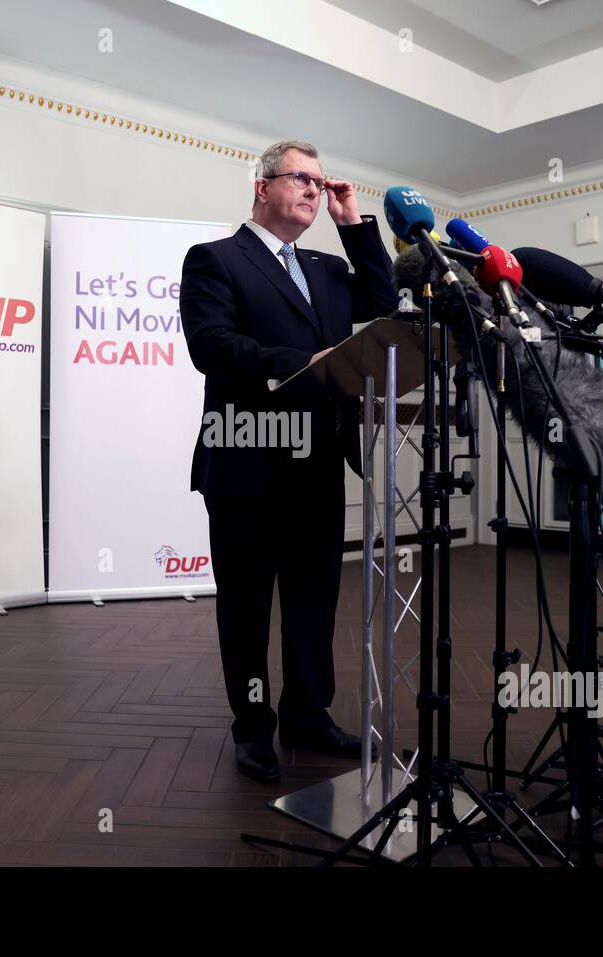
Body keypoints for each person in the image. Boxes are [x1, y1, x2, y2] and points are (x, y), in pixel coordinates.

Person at [180, 140, 397, 780]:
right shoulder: (216, 260)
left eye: (319, 181)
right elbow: (212, 346)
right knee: (246, 607)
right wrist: (304, 366)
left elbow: (382, 301)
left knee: (312, 599)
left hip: (317, 462)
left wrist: (353, 221)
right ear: (261, 186)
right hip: (246, 459)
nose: (313, 188)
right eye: (300, 178)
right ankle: (252, 727)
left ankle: (307, 712)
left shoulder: (329, 270)